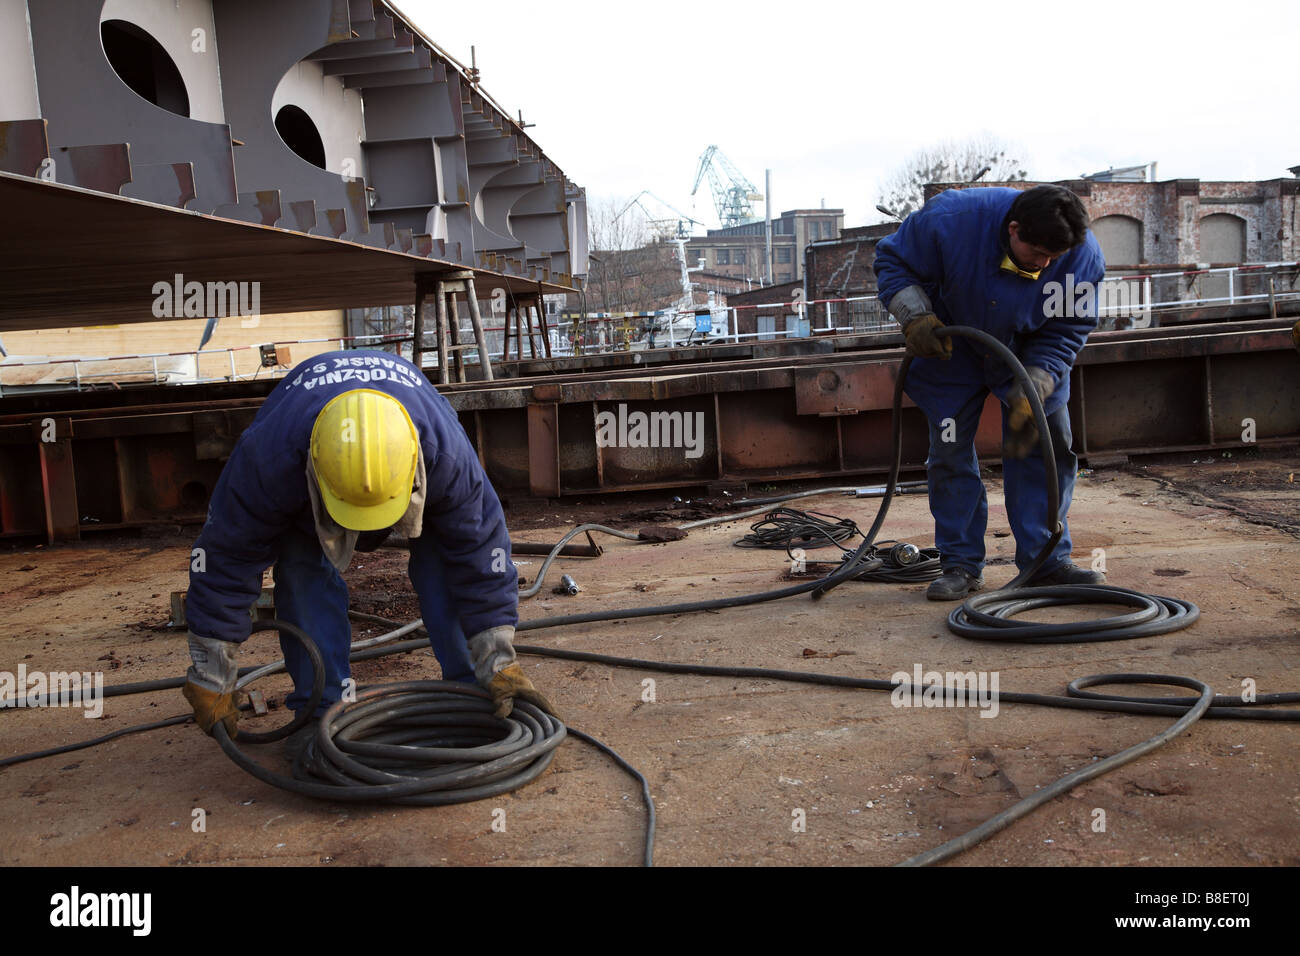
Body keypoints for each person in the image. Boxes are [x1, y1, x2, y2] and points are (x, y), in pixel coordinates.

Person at [180, 349, 552, 742]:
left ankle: (472, 690)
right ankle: (321, 710)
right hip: (302, 473)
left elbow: (480, 557)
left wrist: (498, 661)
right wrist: (212, 674)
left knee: (446, 554)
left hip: (409, 466)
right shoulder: (267, 461)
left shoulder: (445, 455)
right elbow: (224, 562)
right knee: (302, 567)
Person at [874, 184, 1106, 600]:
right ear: (1013, 229)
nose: (1046, 264)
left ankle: (1046, 562)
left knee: (1043, 448)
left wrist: (1040, 376)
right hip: (950, 349)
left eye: (1055, 257)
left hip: (1028, 352)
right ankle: (960, 564)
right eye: (1037, 253)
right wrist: (914, 316)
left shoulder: (1081, 254)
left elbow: (1069, 326)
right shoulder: (949, 221)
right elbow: (893, 262)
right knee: (949, 452)